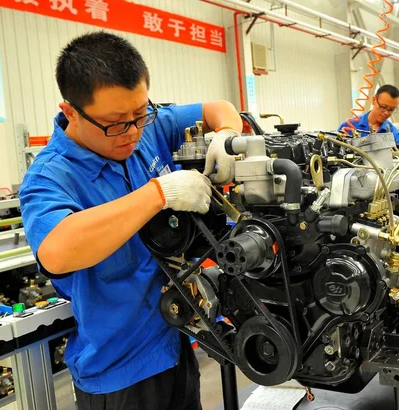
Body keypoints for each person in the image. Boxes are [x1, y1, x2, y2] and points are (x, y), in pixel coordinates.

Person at [18, 32, 242, 410]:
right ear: (71, 111)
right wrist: (158, 194)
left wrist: (226, 135)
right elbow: (57, 249)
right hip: (118, 373)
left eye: (140, 114)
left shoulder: (147, 128)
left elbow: (217, 107)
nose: (133, 131)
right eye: (116, 122)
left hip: (175, 342)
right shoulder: (50, 178)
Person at [337, 85, 399, 149]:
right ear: (374, 100)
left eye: (391, 110)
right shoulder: (349, 125)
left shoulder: (393, 133)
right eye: (383, 107)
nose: (386, 113)